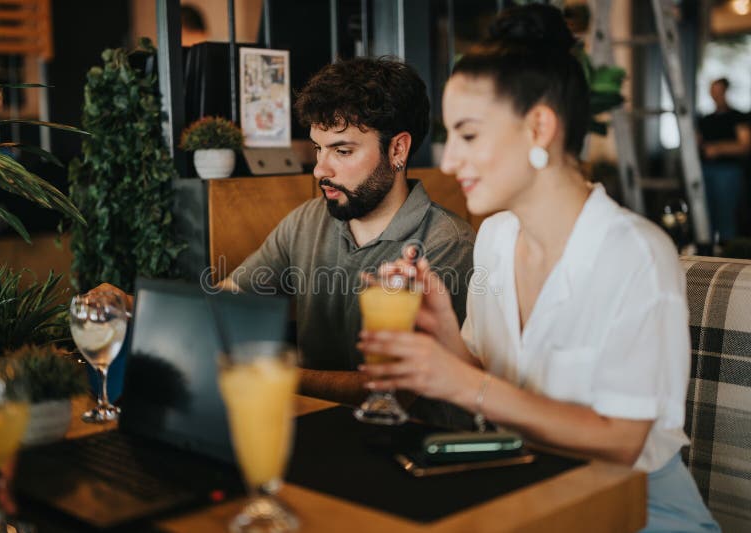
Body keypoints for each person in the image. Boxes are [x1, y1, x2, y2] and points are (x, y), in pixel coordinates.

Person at [358, 5, 719, 531]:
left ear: (539, 127)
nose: (449, 161)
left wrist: (459, 383)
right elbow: (494, 382)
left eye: (468, 135)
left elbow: (622, 441)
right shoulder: (495, 239)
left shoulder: (635, 254)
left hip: (635, 508)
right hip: (528, 489)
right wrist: (445, 338)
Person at [94, 58, 475, 419]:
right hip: (318, 430)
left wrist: (270, 373)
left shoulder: (446, 243)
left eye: (342, 151)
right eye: (318, 149)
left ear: (397, 149)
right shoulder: (307, 221)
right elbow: (223, 304)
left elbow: (390, 391)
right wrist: (131, 306)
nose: (321, 170)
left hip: (413, 446)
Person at [698, 78, 751, 243]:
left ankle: (727, 251)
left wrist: (718, 148)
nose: (716, 95)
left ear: (726, 92)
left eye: (719, 91)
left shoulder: (738, 117)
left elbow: (744, 146)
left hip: (728, 171)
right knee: (705, 215)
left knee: (726, 215)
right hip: (706, 170)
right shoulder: (705, 119)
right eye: (713, 91)